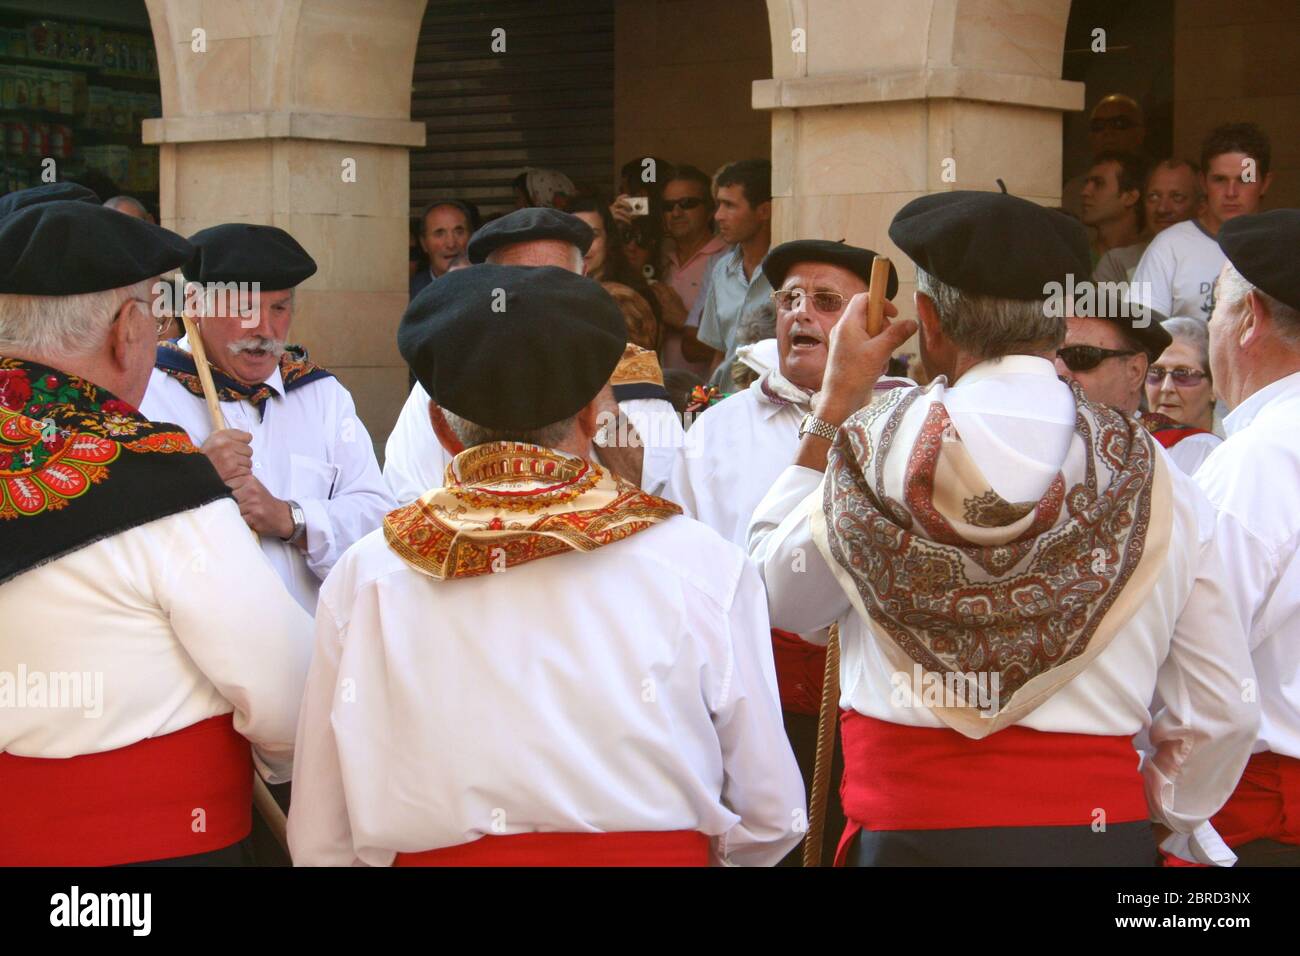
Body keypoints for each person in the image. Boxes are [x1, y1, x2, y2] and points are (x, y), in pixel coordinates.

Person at [747, 190, 1257, 866]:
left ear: (927, 320)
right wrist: (1160, 814)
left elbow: (777, 595)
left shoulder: (871, 446)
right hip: (1097, 837)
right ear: (1063, 323)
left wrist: (834, 408)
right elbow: (1223, 710)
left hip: (909, 840)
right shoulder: (1163, 477)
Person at [288, 265, 805, 866]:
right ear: (592, 416)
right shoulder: (702, 564)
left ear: (441, 429)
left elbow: (321, 836)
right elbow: (771, 814)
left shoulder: (371, 573)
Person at [0, 200, 311, 865]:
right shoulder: (161, 480)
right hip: (151, 850)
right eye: (156, 313)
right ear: (126, 329)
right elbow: (288, 694)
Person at [665, 239, 906, 866]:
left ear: (874, 320)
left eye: (826, 302)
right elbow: (681, 556)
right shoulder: (717, 428)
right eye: (788, 300)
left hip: (873, 703)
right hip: (744, 698)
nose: (800, 314)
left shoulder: (911, 419)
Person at [141, 223, 395, 614]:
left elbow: (378, 523)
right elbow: (120, 543)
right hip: (197, 659)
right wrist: (195, 480)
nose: (263, 329)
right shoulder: (147, 395)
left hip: (318, 654)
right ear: (194, 305)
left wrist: (291, 517)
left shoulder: (321, 395)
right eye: (243, 308)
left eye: (278, 308)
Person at [383, 207, 680, 501]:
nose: (540, 299)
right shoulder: (453, 373)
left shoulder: (630, 368)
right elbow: (408, 492)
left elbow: (662, 495)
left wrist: (602, 404)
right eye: (520, 279)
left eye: (556, 280)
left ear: (584, 278)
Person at [1195, 210, 1300, 866]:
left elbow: (1197, 657)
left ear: (1249, 317)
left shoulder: (1258, 458)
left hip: (1256, 820)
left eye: (1213, 307)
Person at [1133, 123, 1274, 321]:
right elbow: (1142, 332)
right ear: (1203, 182)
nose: (1231, 192)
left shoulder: (1282, 247)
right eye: (1220, 179)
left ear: (1265, 183)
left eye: (1244, 179)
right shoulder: (1169, 246)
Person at [696, 160, 773, 384]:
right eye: (719, 204)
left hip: (774, 403)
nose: (718, 215)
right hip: (726, 401)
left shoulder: (788, 271)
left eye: (729, 205)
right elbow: (719, 353)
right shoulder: (721, 270)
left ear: (764, 211)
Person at [1094, 159, 1201, 284]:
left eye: (1177, 197)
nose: (1162, 208)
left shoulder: (1219, 261)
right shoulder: (1118, 264)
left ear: (1201, 205)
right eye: (1153, 197)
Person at [1143, 316, 1222, 470]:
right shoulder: (1127, 445)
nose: (1166, 387)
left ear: (1214, 387)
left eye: (1184, 374)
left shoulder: (1231, 451)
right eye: (1155, 372)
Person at [1063, 94, 1147, 219]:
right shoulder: (1074, 190)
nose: (1107, 132)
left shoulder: (1157, 184)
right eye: (1098, 126)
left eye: (1119, 124)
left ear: (1141, 132)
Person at [1080, 151, 1147, 266]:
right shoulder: (1075, 259)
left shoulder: (1152, 260)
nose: (1084, 192)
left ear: (1130, 197)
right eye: (1087, 183)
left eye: (1099, 183)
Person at [410, 199, 475, 299]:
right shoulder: (409, 295)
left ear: (471, 237)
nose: (451, 244)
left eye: (459, 232)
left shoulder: (492, 289)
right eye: (439, 233)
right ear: (424, 243)